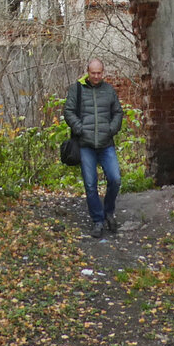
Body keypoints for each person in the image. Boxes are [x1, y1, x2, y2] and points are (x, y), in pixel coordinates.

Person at [63, 57, 123, 239]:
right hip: (85, 144)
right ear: (87, 72)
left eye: (99, 73)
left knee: (115, 179)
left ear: (102, 73)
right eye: (93, 73)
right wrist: (80, 129)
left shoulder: (108, 90)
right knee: (90, 185)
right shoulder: (77, 90)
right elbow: (68, 111)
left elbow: (117, 112)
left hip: (106, 144)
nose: (96, 76)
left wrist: (111, 129)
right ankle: (98, 221)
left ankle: (109, 212)